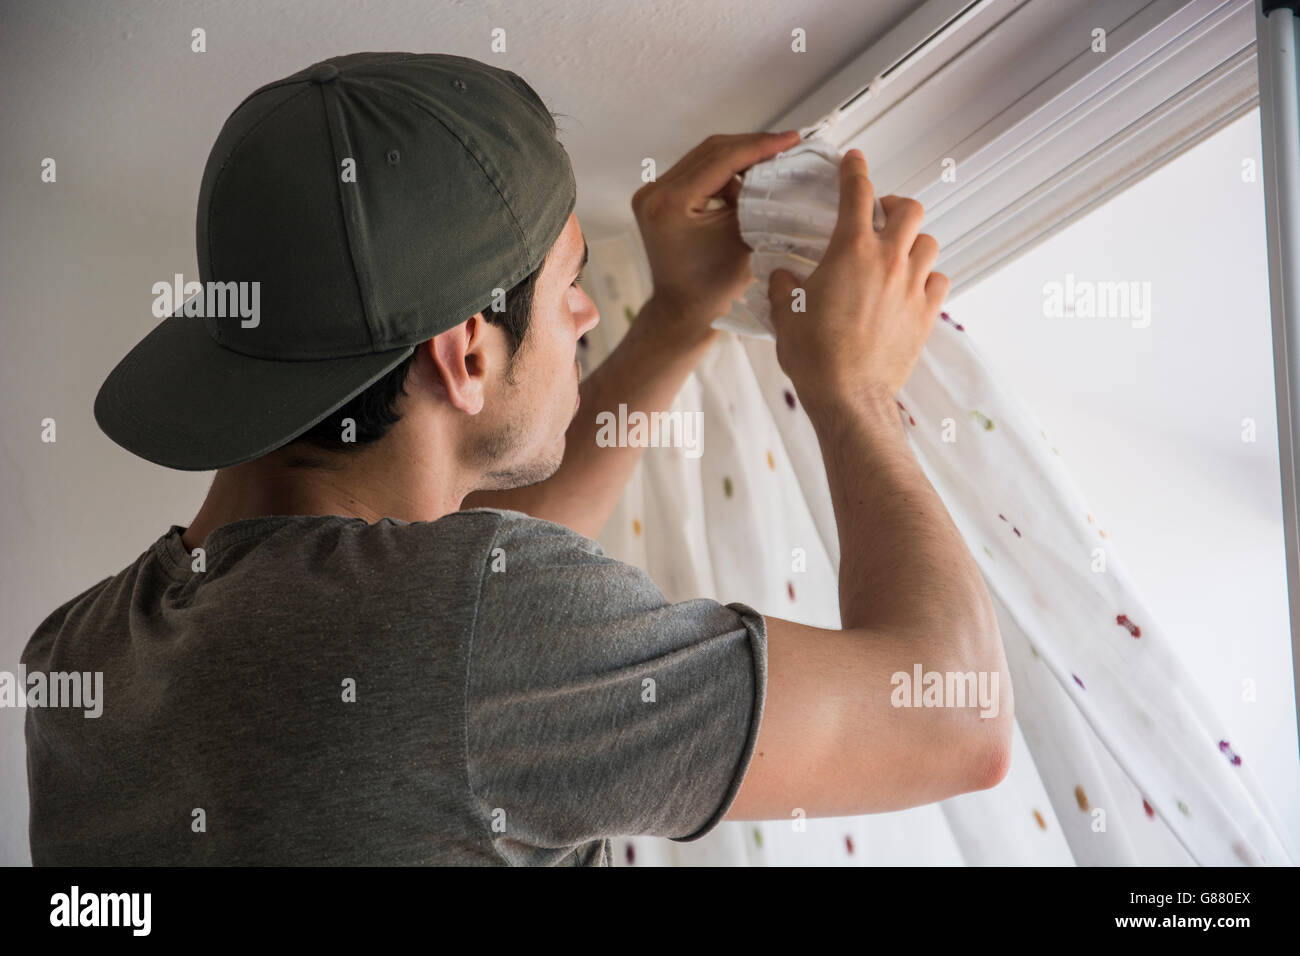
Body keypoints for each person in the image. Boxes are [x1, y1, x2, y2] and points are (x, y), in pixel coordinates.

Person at [23, 52, 1011, 866]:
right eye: (572, 284)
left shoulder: (79, 651)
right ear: (464, 353)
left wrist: (671, 318)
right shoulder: (466, 636)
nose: (586, 314)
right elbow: (954, 716)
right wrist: (854, 389)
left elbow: (447, 633)